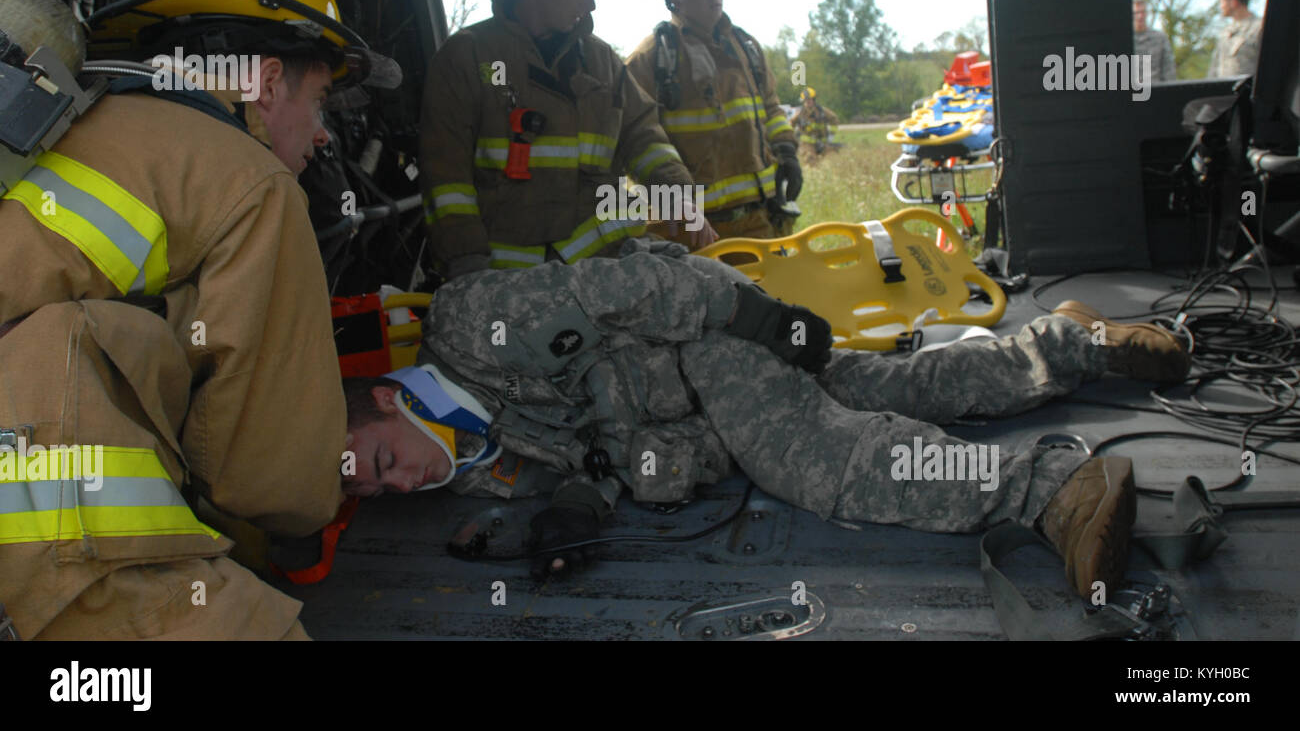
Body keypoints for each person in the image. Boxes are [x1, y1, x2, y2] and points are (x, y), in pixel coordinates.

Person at [341, 240, 1190, 599]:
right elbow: (608, 440)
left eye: (379, 461)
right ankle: (1075, 343)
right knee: (895, 388)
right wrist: (586, 499)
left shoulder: (465, 329)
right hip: (696, 399)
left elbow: (637, 287)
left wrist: (760, 322)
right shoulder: (491, 449)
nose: (404, 482)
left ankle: (1049, 488)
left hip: (706, 331)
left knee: (815, 458)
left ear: (387, 397)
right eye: (386, 492)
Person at [0, 0, 399, 640]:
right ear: (266, 82)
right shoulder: (248, 182)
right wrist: (319, 491)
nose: (323, 134)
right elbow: (268, 472)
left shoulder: (71, 125)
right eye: (321, 99)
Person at [419, 0, 715, 278]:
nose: (591, 3)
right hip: (511, 284)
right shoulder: (466, 58)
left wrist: (677, 195)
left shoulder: (602, 61)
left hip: (605, 271)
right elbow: (445, 176)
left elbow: (644, 136)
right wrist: (466, 263)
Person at [625, 0, 801, 242]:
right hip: (689, 233)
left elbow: (771, 107)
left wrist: (787, 151)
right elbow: (633, 140)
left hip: (757, 224)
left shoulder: (745, 49)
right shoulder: (649, 61)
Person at [1207, 0, 1264, 79]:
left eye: (1222, 2)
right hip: (1224, 92)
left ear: (1234, 2)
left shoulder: (1260, 28)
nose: (1221, 6)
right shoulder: (1225, 32)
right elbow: (1215, 67)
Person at [1132, 0, 1176, 82]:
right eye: (1136, 13)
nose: (1140, 16)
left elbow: (1169, 69)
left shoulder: (1160, 38)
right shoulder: (1122, 40)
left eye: (1143, 12)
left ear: (1147, 14)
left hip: (1156, 90)